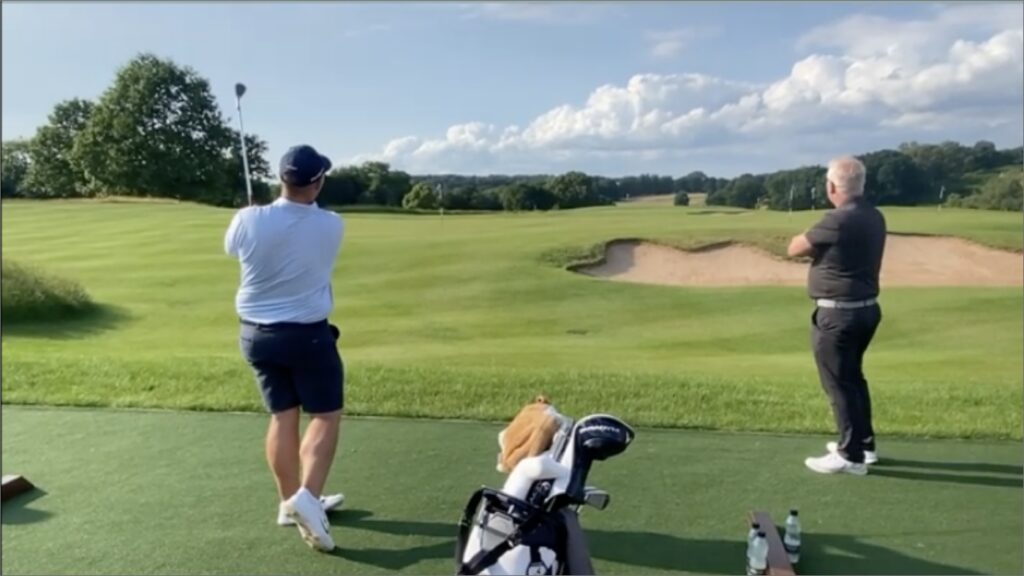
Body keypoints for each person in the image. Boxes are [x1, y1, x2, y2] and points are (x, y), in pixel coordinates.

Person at [224, 144, 345, 551]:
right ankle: (308, 500)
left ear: (281, 178)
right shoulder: (331, 224)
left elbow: (232, 249)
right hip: (308, 336)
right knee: (325, 416)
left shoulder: (247, 218)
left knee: (282, 416)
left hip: (256, 336)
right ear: (317, 182)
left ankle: (289, 501)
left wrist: (255, 216)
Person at [787, 155, 886, 476]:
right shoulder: (874, 216)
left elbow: (795, 247)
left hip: (837, 316)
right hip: (866, 311)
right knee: (853, 379)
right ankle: (863, 444)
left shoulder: (837, 220)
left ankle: (850, 455)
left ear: (831, 186)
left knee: (838, 384)